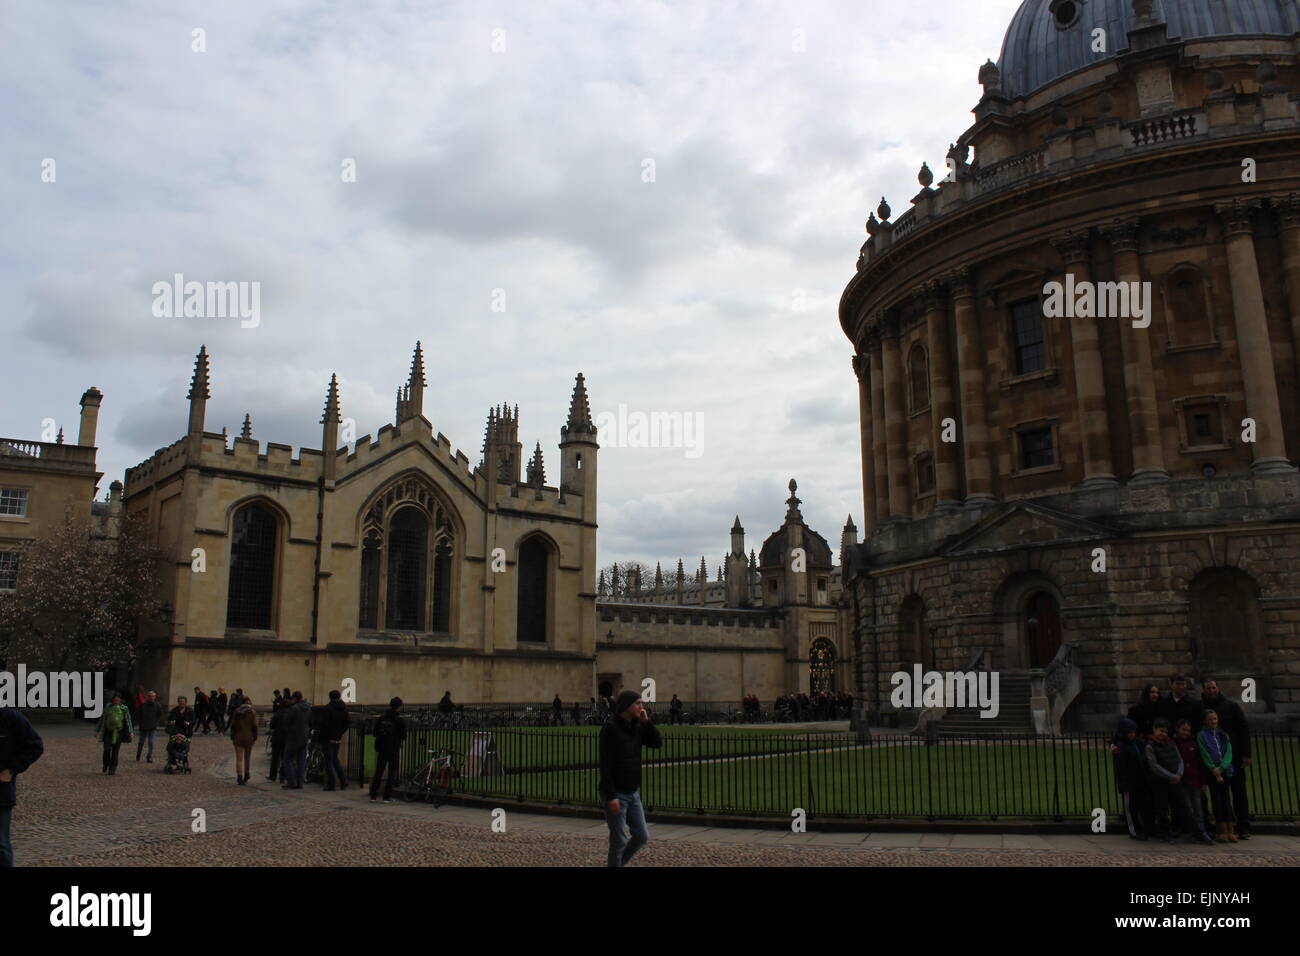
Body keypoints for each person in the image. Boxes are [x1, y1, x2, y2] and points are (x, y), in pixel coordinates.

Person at [599, 690, 663, 867]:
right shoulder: (610, 728)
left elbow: (657, 743)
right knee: (619, 840)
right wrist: (611, 796)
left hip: (632, 792)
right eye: (638, 703)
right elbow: (606, 764)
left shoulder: (637, 726)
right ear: (627, 705)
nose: (641, 707)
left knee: (642, 836)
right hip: (616, 794)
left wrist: (646, 722)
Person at [1200, 678, 1252, 840]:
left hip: (1233, 758)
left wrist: (1246, 754)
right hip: (1212, 763)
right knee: (1217, 796)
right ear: (1204, 690)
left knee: (1239, 793)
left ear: (1218, 688)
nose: (1211, 690)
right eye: (1208, 688)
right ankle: (1220, 827)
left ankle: (1243, 825)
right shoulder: (1200, 708)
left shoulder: (1232, 706)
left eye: (1214, 687)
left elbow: (1243, 729)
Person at [0, 707, 45, 867]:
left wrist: (11, 770)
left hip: (1, 793)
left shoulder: (10, 718)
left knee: (1, 845)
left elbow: (35, 746)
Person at [1144, 718, 1196, 843]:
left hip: (1174, 780)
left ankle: (1185, 829)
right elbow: (1154, 766)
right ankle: (1164, 832)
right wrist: (1172, 776)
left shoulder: (1171, 743)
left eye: (1165, 732)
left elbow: (1180, 759)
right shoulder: (1150, 745)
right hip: (1160, 782)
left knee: (1180, 805)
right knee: (1162, 808)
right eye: (1161, 731)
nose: (1163, 734)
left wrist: (1179, 774)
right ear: (1154, 730)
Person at [1172, 719, 1216, 844]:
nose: (1186, 732)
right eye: (1183, 730)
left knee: (1198, 809)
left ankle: (1201, 831)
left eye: (1188, 730)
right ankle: (1196, 832)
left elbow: (1200, 763)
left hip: (1195, 780)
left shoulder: (1194, 743)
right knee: (1188, 809)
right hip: (1182, 780)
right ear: (1177, 729)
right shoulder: (1173, 743)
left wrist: (1203, 781)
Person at [1198, 709, 1237, 842]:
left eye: (1214, 719)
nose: (1213, 721)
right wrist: (1213, 769)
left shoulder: (1223, 734)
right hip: (1212, 772)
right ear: (1204, 721)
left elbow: (1229, 753)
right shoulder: (1201, 735)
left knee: (1226, 800)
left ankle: (1231, 829)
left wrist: (1221, 768)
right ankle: (1221, 830)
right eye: (1210, 719)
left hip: (1224, 771)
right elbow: (1204, 753)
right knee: (1216, 800)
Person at [1111, 717, 1149, 840]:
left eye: (1133, 731)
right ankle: (1133, 831)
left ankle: (1142, 828)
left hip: (1139, 780)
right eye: (1130, 732)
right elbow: (1120, 769)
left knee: (1139, 805)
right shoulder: (1120, 748)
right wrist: (1124, 785)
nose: (1133, 734)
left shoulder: (1135, 743)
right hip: (1128, 782)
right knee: (1130, 808)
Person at [370, 697, 407, 803]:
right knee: (391, 773)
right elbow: (404, 736)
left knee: (378, 771)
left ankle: (373, 794)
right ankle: (387, 796)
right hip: (393, 748)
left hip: (382, 748)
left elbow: (375, 732)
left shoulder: (382, 718)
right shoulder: (399, 720)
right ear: (399, 707)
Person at [95, 693, 134, 775]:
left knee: (115, 751)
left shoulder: (124, 708)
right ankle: (106, 764)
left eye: (118, 700)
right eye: (115, 700)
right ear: (112, 700)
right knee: (106, 750)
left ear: (120, 700)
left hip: (119, 732)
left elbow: (128, 720)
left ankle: (112, 768)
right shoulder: (108, 707)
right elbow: (102, 719)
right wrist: (97, 730)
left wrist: (130, 731)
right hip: (108, 732)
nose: (116, 701)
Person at [280, 692, 312, 789]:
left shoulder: (294, 708)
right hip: (304, 737)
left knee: (287, 759)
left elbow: (286, 721)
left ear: (295, 698)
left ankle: (292, 782)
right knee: (301, 761)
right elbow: (310, 721)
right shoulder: (309, 708)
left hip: (293, 737)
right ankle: (300, 782)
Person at [321, 689, 350, 791]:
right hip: (337, 738)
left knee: (329, 761)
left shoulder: (327, 709)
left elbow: (324, 725)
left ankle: (331, 784)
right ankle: (343, 781)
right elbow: (346, 724)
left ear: (330, 697)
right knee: (335, 760)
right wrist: (339, 733)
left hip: (328, 738)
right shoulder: (344, 709)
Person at [229, 696, 257, 785]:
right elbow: (254, 726)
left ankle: (239, 776)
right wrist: (255, 736)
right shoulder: (252, 712)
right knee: (247, 758)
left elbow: (232, 725)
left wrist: (232, 736)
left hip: (238, 737)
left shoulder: (237, 712)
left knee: (239, 759)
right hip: (249, 738)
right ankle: (247, 773)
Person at [135, 690, 165, 763]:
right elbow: (138, 715)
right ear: (147, 697)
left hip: (152, 727)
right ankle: (138, 754)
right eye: (150, 696)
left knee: (151, 742)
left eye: (153, 696)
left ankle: (149, 756)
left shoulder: (157, 705)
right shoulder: (143, 705)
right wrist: (140, 723)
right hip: (143, 726)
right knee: (141, 742)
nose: (151, 698)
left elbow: (160, 714)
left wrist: (156, 722)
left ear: (155, 697)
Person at [267, 704, 286, 782]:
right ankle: (282, 776)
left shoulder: (277, 714)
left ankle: (273, 776)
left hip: (277, 738)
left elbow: (272, 725)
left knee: (275, 758)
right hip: (286, 738)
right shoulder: (291, 713)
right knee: (284, 758)